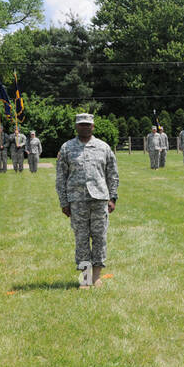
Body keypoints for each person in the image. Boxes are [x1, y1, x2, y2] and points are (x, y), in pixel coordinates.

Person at [55, 114, 118, 290]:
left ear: (93, 126)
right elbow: (61, 178)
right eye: (81, 125)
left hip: (99, 200)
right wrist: (64, 202)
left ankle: (96, 276)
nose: (84, 127)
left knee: (99, 237)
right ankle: (85, 278)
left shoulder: (103, 147)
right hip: (77, 202)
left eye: (87, 125)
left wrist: (112, 198)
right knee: (81, 239)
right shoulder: (67, 148)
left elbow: (112, 174)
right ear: (76, 127)